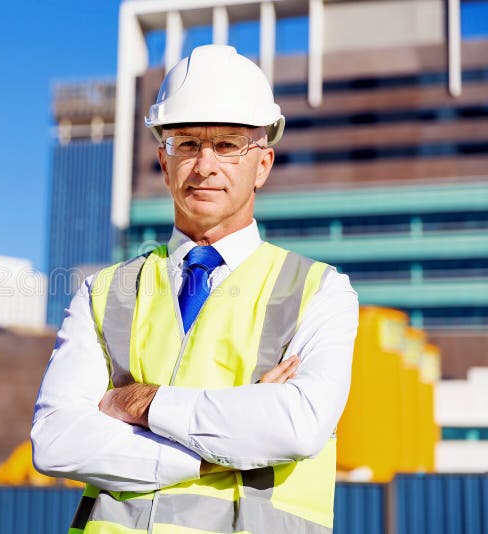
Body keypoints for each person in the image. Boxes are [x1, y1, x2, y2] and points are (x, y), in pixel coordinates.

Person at [32, 44, 359, 534]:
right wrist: (222, 446)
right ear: (164, 164)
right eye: (186, 144)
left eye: (228, 146)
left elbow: (297, 424)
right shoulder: (103, 291)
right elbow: (56, 441)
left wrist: (140, 404)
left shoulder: (320, 291)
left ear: (263, 165)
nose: (205, 166)